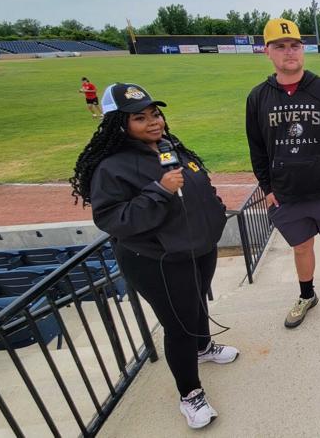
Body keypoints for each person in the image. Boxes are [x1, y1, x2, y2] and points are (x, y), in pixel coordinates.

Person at [70, 83, 239, 429]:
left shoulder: (169, 146)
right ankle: (190, 394)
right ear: (119, 124)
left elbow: (197, 184)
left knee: (197, 305)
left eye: (155, 113)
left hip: (197, 249)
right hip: (156, 261)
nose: (153, 122)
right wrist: (159, 191)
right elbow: (114, 220)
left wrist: (215, 211)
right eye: (140, 118)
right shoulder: (111, 167)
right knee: (178, 325)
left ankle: (203, 347)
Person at [246, 18, 320, 328]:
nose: (289, 52)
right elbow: (257, 148)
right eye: (280, 46)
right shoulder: (258, 98)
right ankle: (307, 294)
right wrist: (268, 189)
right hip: (286, 193)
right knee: (301, 247)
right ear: (267, 52)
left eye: (294, 45)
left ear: (303, 49)